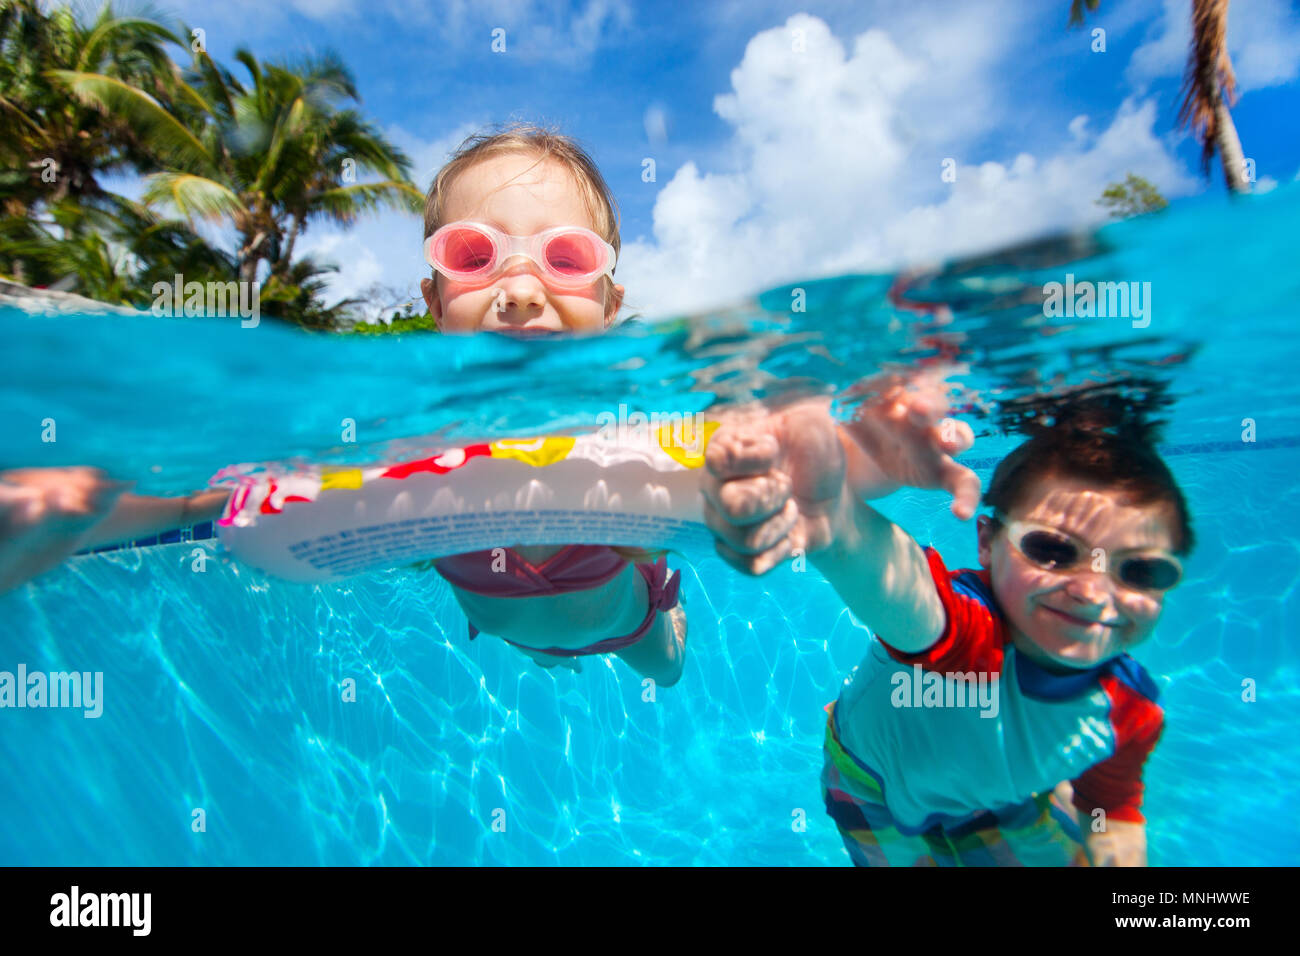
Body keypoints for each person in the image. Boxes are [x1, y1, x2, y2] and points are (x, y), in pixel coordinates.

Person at [0, 126, 688, 686]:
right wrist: (84, 508)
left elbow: (687, 507)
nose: (521, 288)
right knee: (537, 650)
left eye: (565, 259)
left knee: (669, 670)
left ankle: (662, 611)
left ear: (608, 305)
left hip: (625, 625)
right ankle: (544, 652)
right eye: (475, 255)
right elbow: (212, 505)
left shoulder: (619, 430)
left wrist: (638, 519)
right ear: (434, 302)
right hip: (506, 623)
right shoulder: (408, 436)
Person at [703, 373, 1189, 865]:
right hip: (877, 791)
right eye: (1053, 551)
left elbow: (1111, 806)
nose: (1091, 591)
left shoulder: (1132, 710)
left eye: (1140, 569)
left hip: (997, 796)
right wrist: (830, 517)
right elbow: (909, 596)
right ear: (987, 542)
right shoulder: (974, 636)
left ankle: (1029, 783)